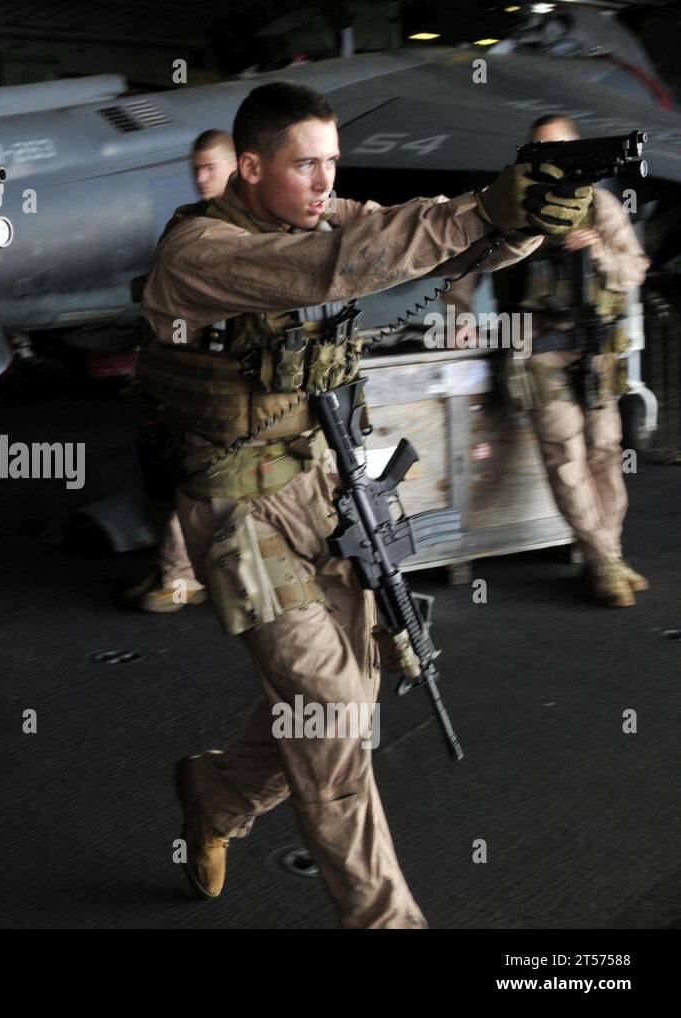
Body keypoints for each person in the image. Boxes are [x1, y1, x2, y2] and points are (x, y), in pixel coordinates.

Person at [140, 81, 591, 927]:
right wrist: (481, 211)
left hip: (327, 485)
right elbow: (333, 267)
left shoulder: (315, 216)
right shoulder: (202, 251)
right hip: (240, 506)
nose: (324, 182)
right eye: (305, 164)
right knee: (332, 712)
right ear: (248, 168)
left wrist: (519, 221)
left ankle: (218, 790)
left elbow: (423, 244)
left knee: (355, 683)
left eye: (333, 163)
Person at [498, 115, 650, 607]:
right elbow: (468, 262)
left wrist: (601, 249)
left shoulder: (600, 205)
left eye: (563, 149)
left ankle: (608, 552)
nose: (554, 158)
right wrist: (458, 318)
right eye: (543, 149)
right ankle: (603, 560)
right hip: (542, 347)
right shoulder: (516, 202)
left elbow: (635, 271)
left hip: (597, 345)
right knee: (567, 456)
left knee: (606, 450)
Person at [124, 130, 236, 613]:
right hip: (180, 371)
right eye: (196, 166)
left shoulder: (243, 228)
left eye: (211, 166)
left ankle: (181, 574)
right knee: (167, 469)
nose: (201, 176)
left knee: (197, 476)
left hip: (219, 375)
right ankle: (178, 568)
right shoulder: (190, 222)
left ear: (238, 166)